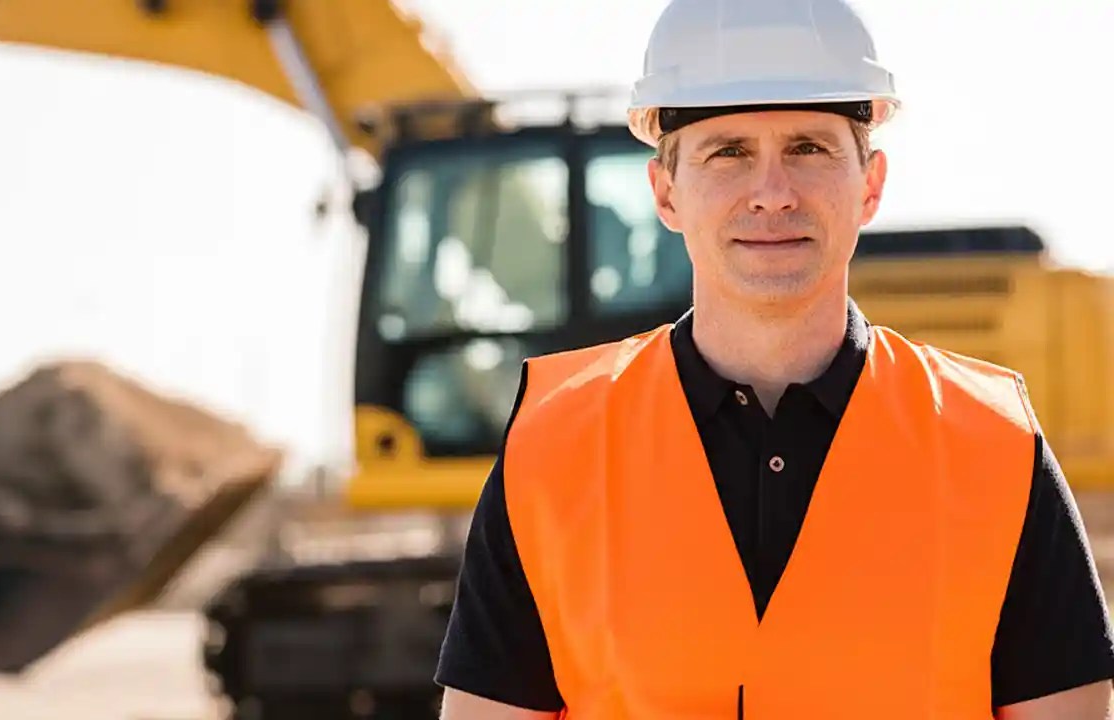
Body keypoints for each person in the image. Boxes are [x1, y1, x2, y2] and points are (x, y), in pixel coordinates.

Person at [432, 0, 1114, 718]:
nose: (772, 194)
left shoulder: (995, 448)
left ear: (870, 185)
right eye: (728, 152)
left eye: (808, 148)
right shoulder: (553, 448)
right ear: (665, 191)